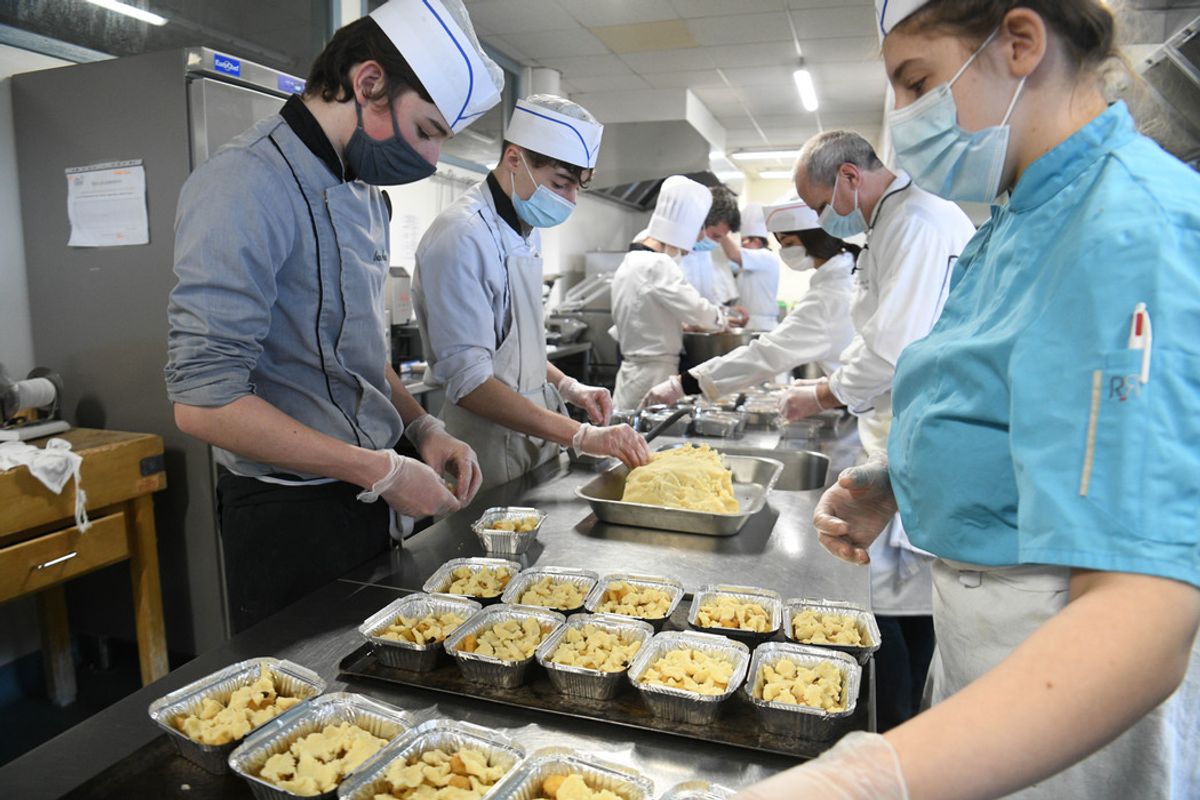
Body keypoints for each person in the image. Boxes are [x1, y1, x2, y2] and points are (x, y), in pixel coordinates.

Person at [736, 1, 1200, 798]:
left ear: (1019, 43)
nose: (908, 118)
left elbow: (1143, 614)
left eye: (917, 82)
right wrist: (907, 481)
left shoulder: (1131, 224)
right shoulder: (1018, 218)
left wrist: (866, 779)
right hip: (985, 650)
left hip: (1068, 694)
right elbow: (1015, 403)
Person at [165, 0, 499, 632]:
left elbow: (361, 353)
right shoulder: (243, 184)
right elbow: (204, 402)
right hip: (288, 516)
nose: (428, 161)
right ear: (368, 83)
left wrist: (421, 427)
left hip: (368, 498)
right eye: (425, 131)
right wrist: (379, 468)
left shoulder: (367, 196)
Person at [785, 129, 977, 731]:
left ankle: (892, 730)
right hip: (899, 434)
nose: (822, 219)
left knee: (899, 608)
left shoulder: (916, 223)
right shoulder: (894, 224)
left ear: (848, 177)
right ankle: (897, 721)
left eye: (819, 205)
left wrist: (824, 391)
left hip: (913, 436)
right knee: (902, 601)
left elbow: (895, 348)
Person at [412, 95, 648, 490]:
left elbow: (516, 348)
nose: (570, 200)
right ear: (514, 159)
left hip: (533, 438)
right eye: (561, 184)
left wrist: (566, 385)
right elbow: (470, 383)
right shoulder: (461, 236)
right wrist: (582, 435)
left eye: (577, 188)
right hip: (484, 449)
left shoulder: (525, 227)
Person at [638, 200, 856, 407]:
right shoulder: (845, 275)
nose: (785, 252)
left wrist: (684, 384)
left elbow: (765, 355)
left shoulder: (829, 295)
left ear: (813, 239)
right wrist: (827, 385)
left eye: (789, 243)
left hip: (867, 410)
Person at [610, 176, 727, 410]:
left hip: (632, 374)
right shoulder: (658, 265)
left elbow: (643, 317)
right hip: (653, 375)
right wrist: (720, 320)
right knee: (649, 442)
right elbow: (700, 312)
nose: (700, 237)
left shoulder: (632, 260)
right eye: (698, 229)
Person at [677, 185, 749, 327]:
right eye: (715, 236)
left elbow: (705, 299)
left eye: (721, 238)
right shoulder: (670, 252)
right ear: (699, 222)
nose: (715, 243)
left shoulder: (704, 254)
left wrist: (726, 311)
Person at [727, 203, 781, 332]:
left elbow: (733, 254)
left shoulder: (766, 257)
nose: (742, 246)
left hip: (761, 326)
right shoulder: (747, 264)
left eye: (744, 241)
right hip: (746, 323)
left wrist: (720, 231)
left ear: (756, 241)